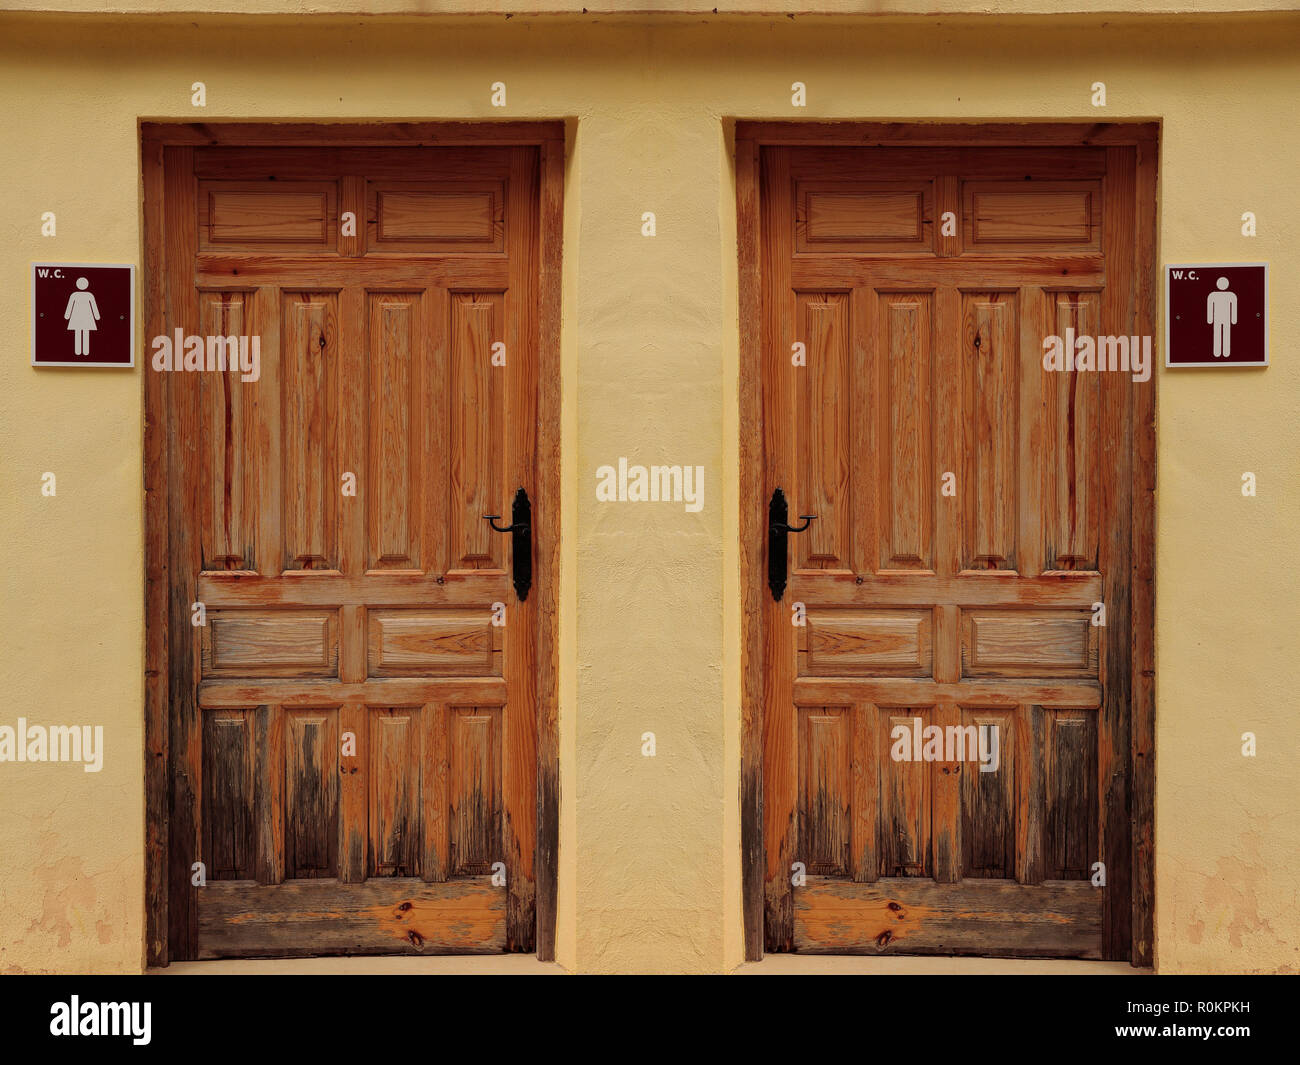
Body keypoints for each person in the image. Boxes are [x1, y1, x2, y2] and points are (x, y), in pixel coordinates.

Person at [63, 277, 100, 357]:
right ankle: (84, 351)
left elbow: (70, 306)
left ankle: (79, 351)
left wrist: (67, 316)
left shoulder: (75, 295)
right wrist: (97, 316)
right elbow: (94, 306)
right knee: (84, 332)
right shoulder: (88, 295)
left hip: (78, 317)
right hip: (86, 317)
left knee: (78, 332)